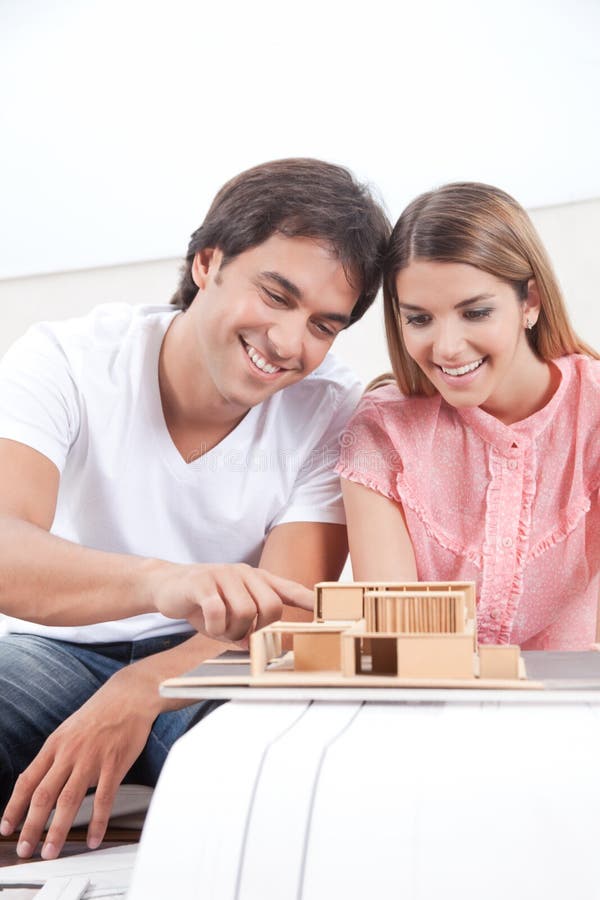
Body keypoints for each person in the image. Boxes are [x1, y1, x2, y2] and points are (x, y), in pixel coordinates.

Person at [0, 158, 391, 859]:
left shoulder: (334, 409)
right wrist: (162, 582)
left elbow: (290, 612)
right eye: (275, 295)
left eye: (323, 325)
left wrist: (143, 686)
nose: (289, 343)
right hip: (55, 650)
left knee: (299, 768)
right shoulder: (67, 359)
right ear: (208, 262)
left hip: (219, 659)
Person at [337, 182, 599, 651]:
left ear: (530, 302)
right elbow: (396, 642)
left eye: (475, 313)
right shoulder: (381, 431)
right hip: (428, 708)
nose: (447, 347)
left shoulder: (593, 413)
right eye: (419, 319)